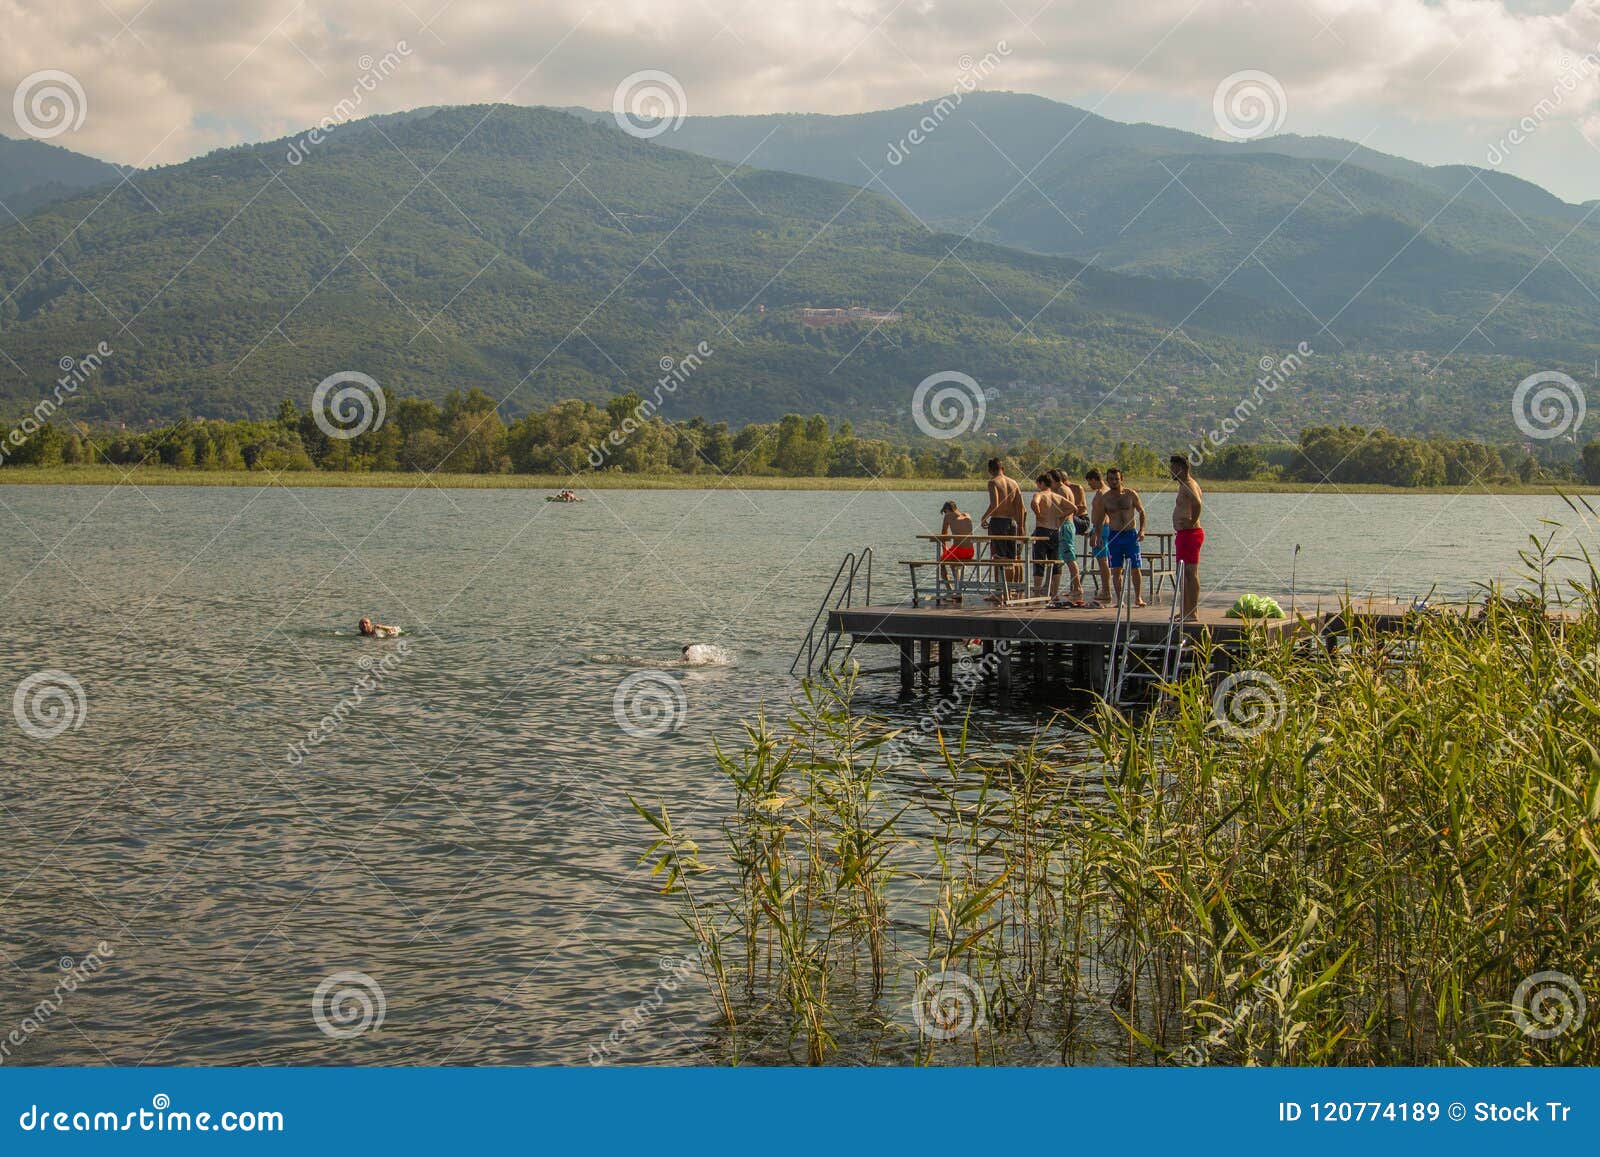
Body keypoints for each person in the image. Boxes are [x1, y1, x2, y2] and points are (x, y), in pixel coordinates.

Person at [1094, 467, 1147, 608]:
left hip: (1130, 535)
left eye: (1116, 479)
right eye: (1111, 479)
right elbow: (1099, 519)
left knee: (1136, 568)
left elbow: (1142, 512)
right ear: (1107, 480)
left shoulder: (1130, 494)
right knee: (1116, 569)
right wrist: (1098, 535)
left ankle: (1138, 597)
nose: (1113, 481)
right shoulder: (1105, 498)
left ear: (1121, 479)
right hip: (1114, 536)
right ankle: (1120, 600)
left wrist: (1142, 530)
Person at [981, 458, 1026, 588]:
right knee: (1011, 559)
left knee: (999, 558)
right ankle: (1010, 591)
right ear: (1003, 468)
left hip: (998, 521)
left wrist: (984, 517)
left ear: (990, 470)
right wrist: (1021, 525)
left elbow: (995, 504)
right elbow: (1021, 506)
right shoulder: (1014, 483)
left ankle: (1001, 591)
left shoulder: (993, 483)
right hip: (1012, 522)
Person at [1170, 454, 1204, 620]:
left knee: (1190, 573)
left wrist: (1191, 521)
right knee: (1183, 573)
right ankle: (1186, 610)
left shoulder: (1188, 485)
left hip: (1190, 534)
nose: (1171, 472)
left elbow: (1197, 503)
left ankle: (1193, 612)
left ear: (1181, 469)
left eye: (1173, 469)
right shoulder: (1185, 484)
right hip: (1185, 534)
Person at [1046, 470, 1086, 604]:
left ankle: (1078, 588)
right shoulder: (1065, 489)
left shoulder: (1062, 491)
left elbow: (1072, 509)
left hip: (1065, 526)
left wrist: (1059, 518)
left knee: (1070, 557)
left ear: (1055, 480)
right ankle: (1074, 587)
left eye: (1049, 481)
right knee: (1065, 557)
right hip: (1066, 525)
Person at [1029, 474, 1071, 600]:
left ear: (1041, 483)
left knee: (1039, 562)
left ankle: (1037, 592)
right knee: (1055, 563)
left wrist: (1038, 514)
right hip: (1055, 531)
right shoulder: (1057, 496)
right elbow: (1073, 507)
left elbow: (1034, 503)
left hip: (1042, 531)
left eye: (1038, 484)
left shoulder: (1040, 494)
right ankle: (1054, 593)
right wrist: (1061, 517)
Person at [1083, 468, 1114, 606]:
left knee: (1103, 562)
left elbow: (1102, 515)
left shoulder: (1102, 493)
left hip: (1101, 529)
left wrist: (1096, 533)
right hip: (1100, 528)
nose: (1090, 486)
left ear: (1095, 479)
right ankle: (1105, 589)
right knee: (1102, 561)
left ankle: (1106, 591)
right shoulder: (1105, 491)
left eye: (1090, 483)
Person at [938, 500, 975, 602]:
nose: (945, 514)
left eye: (945, 512)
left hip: (959, 550)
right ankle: (957, 591)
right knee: (952, 562)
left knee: (941, 562)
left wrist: (944, 549)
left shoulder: (948, 516)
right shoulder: (967, 515)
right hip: (970, 552)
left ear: (947, 510)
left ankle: (950, 591)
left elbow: (943, 535)